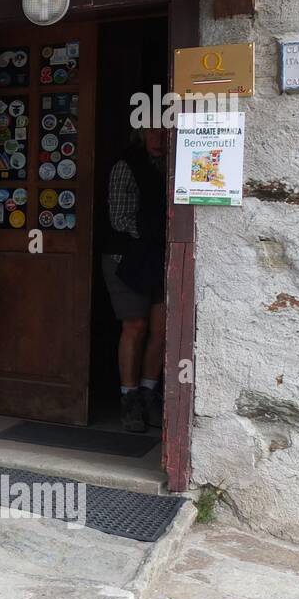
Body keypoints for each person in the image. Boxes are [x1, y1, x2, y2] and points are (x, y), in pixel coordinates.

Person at [101, 126, 168, 433]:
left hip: (159, 257)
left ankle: (148, 393)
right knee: (135, 326)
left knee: (162, 328)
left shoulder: (173, 165)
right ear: (140, 134)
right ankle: (129, 399)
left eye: (166, 131)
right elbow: (120, 219)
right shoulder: (125, 167)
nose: (160, 139)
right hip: (127, 259)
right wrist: (160, 233)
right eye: (153, 132)